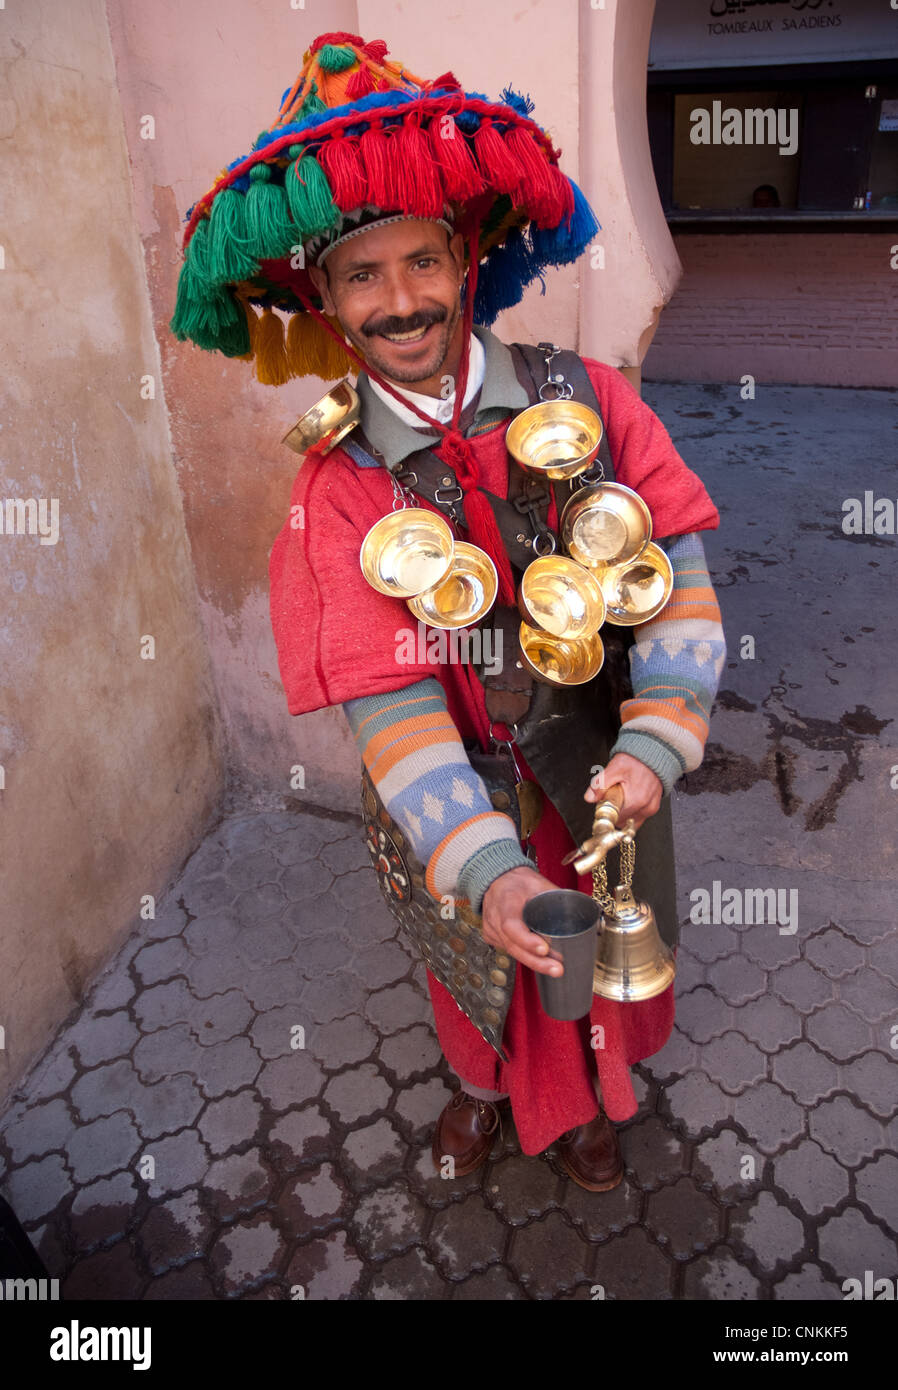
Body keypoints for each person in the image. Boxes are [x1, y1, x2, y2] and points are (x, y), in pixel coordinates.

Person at [171, 31, 726, 1192]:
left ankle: (588, 1112)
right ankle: (482, 1094)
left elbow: (673, 574)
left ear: (465, 256)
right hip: (449, 789)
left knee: (601, 946)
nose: (400, 301)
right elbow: (384, 693)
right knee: (479, 954)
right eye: (360, 277)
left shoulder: (594, 400)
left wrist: (659, 732)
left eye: (419, 260)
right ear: (319, 300)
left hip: (601, 760)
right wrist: (480, 860)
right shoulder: (335, 488)